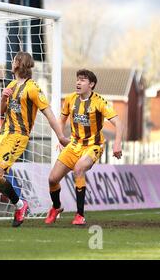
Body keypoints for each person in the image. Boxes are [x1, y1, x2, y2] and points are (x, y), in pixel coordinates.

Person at [0, 52, 69, 227]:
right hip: (2, 135)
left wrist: (60, 136)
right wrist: (3, 97)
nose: (11, 62)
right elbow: (0, 112)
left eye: (14, 59)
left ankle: (20, 205)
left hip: (17, 136)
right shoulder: (11, 85)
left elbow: (49, 113)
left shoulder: (33, 88)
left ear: (18, 64)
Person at [45, 69, 123, 225]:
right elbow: (61, 120)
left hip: (93, 145)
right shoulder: (70, 99)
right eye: (77, 79)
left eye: (83, 80)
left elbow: (118, 123)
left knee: (79, 168)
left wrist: (117, 143)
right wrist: (60, 138)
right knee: (52, 179)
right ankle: (56, 207)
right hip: (74, 145)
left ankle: (80, 215)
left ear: (91, 84)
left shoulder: (99, 102)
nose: (78, 83)